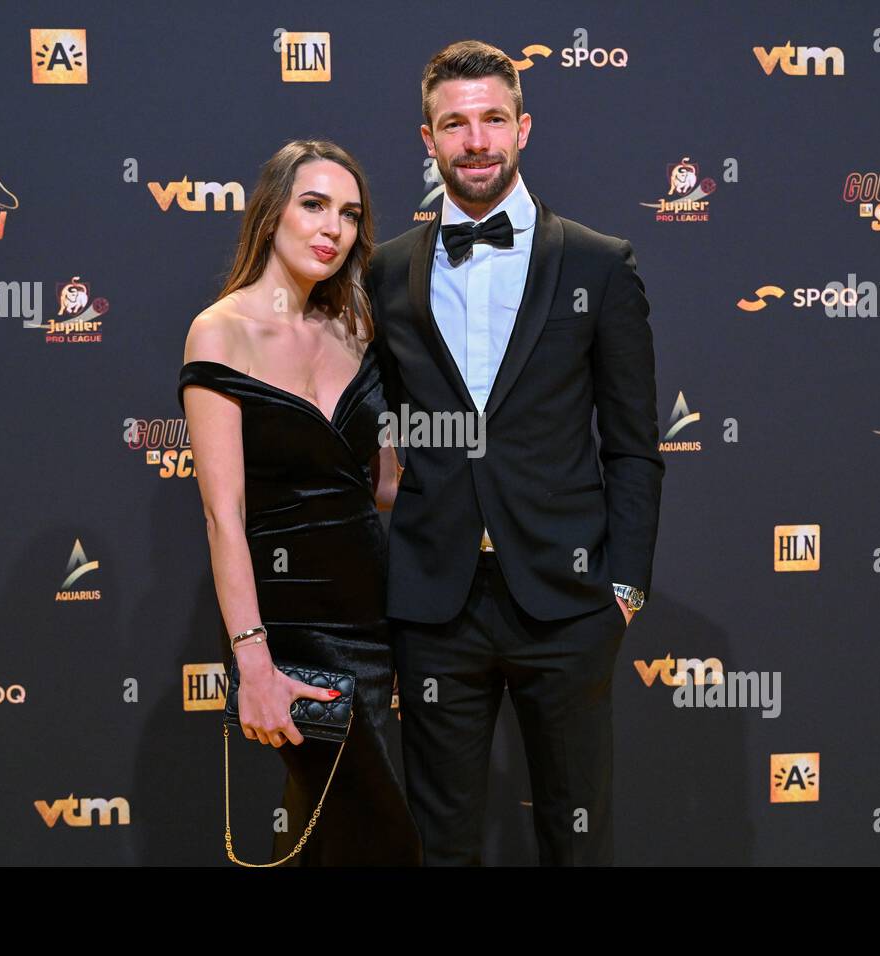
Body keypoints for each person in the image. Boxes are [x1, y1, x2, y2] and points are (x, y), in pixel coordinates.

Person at [365, 40, 665, 865]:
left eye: (493, 118)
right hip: (434, 607)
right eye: (454, 124)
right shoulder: (386, 274)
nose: (476, 140)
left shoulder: (600, 265)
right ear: (427, 140)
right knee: (438, 845)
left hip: (568, 602)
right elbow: (371, 435)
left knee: (576, 840)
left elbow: (636, 445)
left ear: (523, 127)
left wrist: (625, 588)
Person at [178, 140, 421, 866]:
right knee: (381, 839)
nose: (333, 228)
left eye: (349, 214)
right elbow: (224, 515)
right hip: (289, 630)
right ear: (272, 212)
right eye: (314, 205)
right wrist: (252, 663)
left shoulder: (353, 327)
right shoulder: (220, 331)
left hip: (375, 619)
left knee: (326, 836)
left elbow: (376, 483)